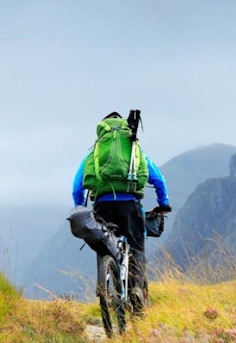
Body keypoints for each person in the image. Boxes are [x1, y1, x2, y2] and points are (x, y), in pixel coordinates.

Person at [71, 111, 171, 313]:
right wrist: (163, 203)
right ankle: (135, 288)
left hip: (102, 206)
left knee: (104, 245)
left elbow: (76, 187)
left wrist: (80, 205)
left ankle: (105, 285)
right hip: (130, 205)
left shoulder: (95, 153)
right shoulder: (135, 150)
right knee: (136, 247)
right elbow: (159, 180)